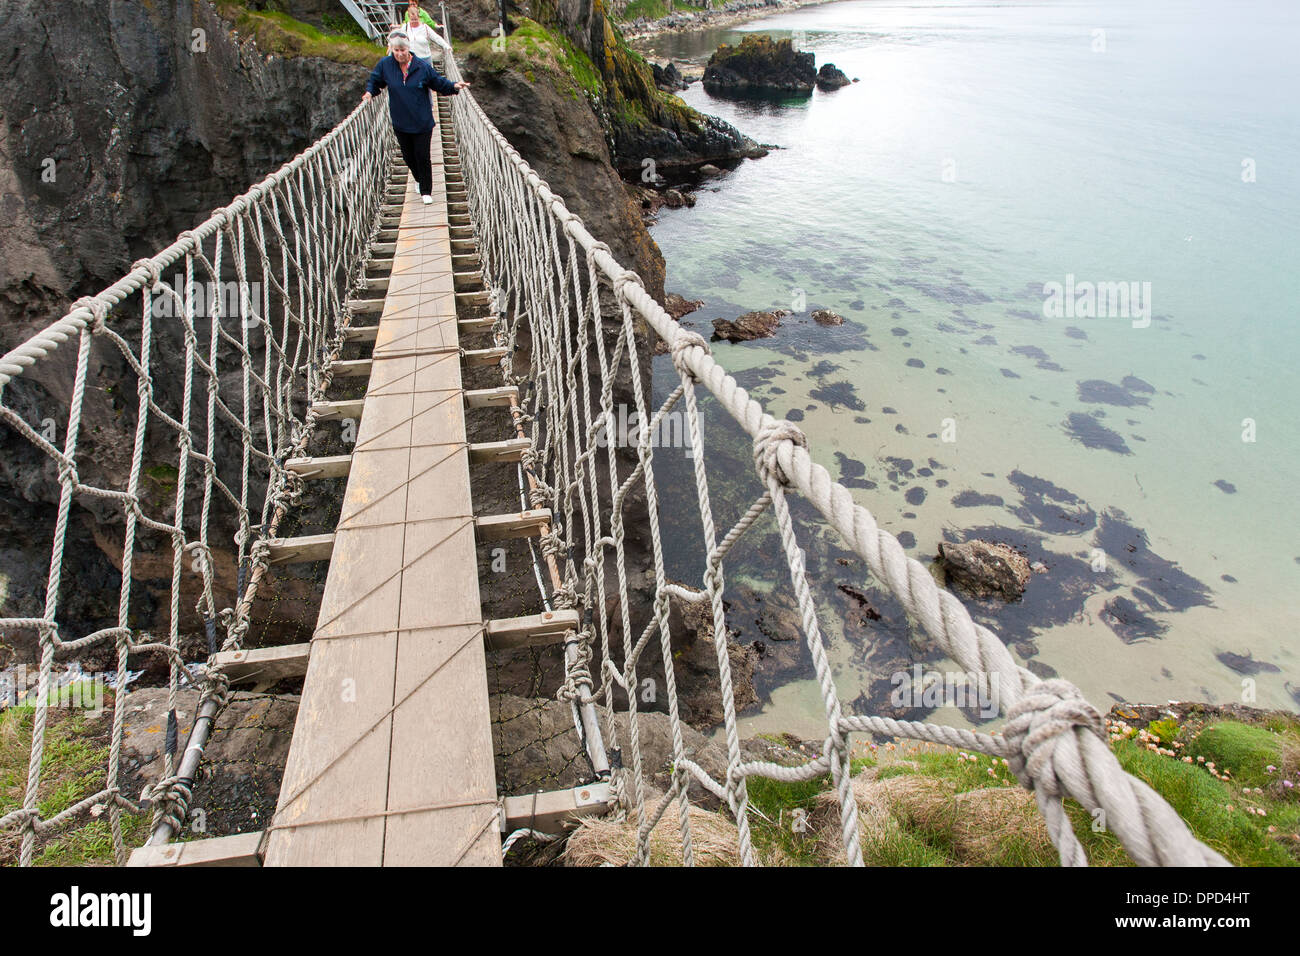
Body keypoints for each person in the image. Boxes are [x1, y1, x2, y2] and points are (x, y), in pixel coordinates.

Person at [362, 31, 469, 205]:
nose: (399, 54)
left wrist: (454, 86)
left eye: (402, 50)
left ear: (408, 49)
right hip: (400, 121)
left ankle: (426, 190)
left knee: (422, 156)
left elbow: (437, 82)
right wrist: (369, 93)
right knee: (408, 157)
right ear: (391, 49)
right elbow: (376, 82)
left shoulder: (421, 67)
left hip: (422, 122)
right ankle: (418, 179)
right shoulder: (385, 65)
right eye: (396, 50)